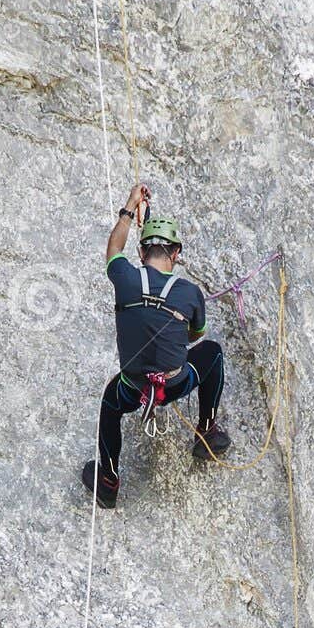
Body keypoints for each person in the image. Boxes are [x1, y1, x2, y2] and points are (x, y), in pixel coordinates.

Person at [82, 182, 231, 509]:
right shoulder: (190, 293)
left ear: (141, 253)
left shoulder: (125, 276)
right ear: (176, 254)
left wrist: (129, 207)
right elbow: (196, 336)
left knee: (110, 403)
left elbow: (113, 250)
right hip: (175, 383)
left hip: (134, 388)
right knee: (213, 355)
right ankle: (205, 431)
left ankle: (108, 480)